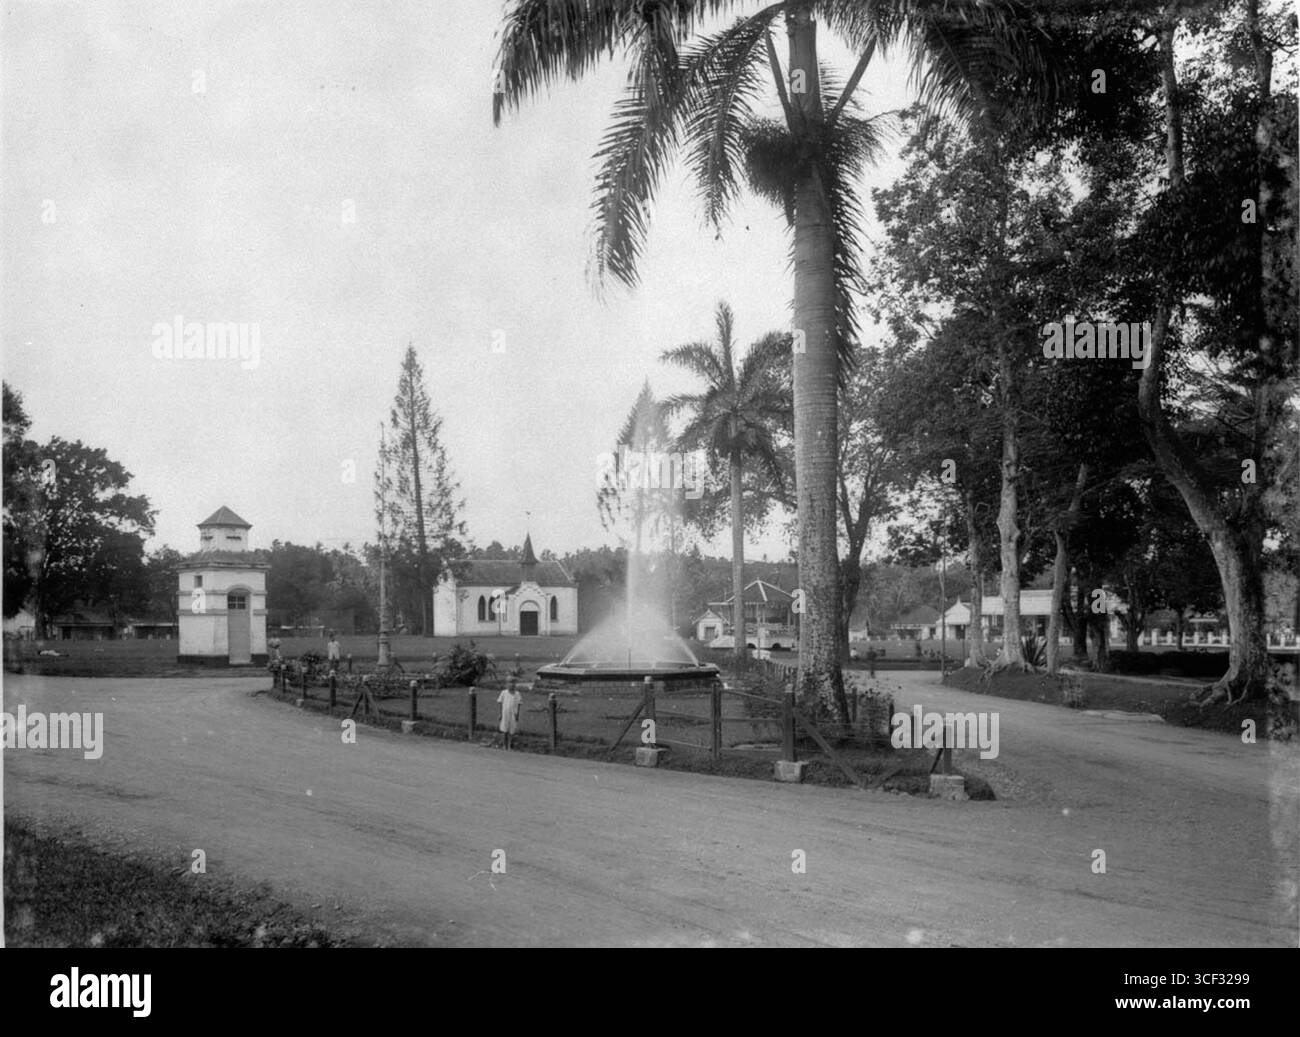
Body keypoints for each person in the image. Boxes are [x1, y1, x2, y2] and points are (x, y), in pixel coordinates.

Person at [496, 676, 522, 750]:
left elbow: (519, 704)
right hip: (505, 713)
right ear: (506, 684)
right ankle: (504, 745)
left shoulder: (517, 694)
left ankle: (510, 745)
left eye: (513, 683)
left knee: (512, 730)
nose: (512, 685)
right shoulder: (504, 693)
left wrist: (517, 714)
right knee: (505, 729)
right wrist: (500, 714)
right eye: (510, 683)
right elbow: (500, 703)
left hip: (513, 714)